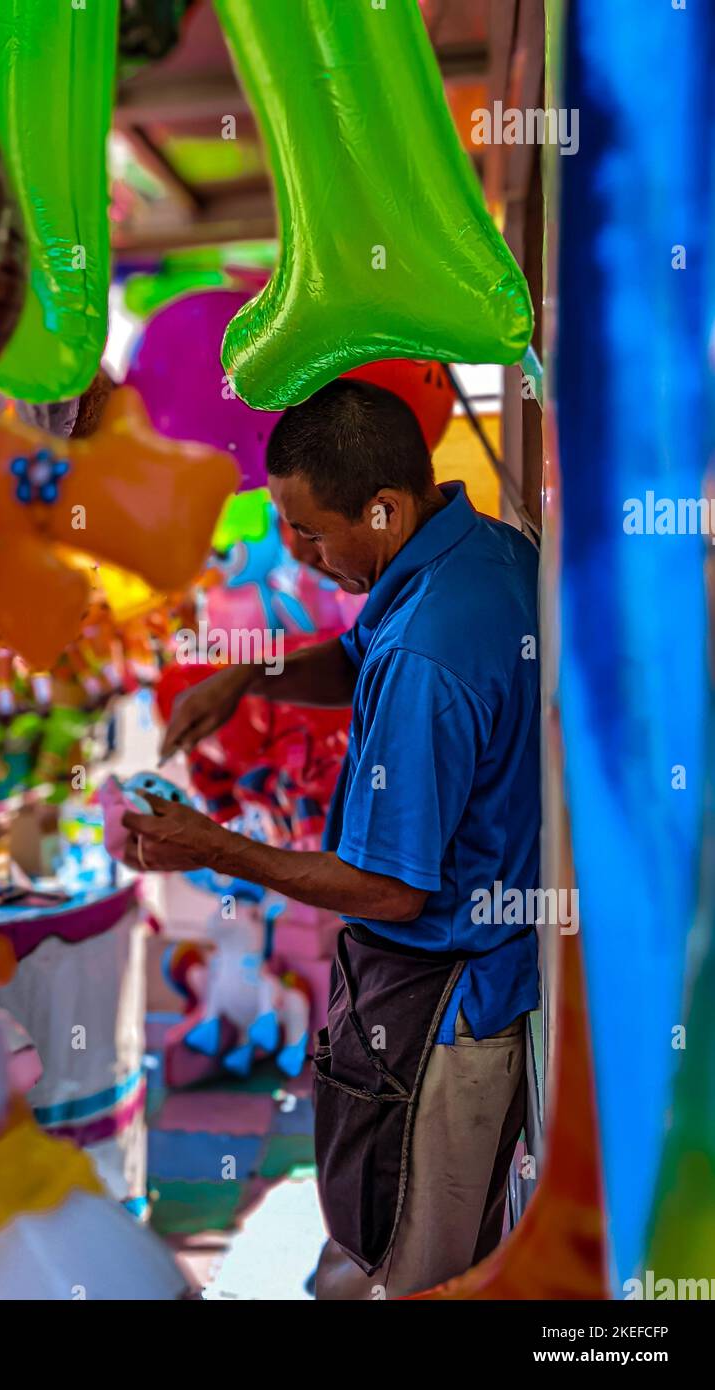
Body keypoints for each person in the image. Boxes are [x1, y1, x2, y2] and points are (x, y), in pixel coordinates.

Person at [121, 378, 541, 1298]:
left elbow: (389, 890)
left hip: (448, 1005)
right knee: (408, 1237)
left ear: (383, 508)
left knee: (422, 1265)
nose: (297, 554)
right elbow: (352, 658)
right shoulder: (476, 554)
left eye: (310, 532)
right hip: (475, 970)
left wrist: (211, 845)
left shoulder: (424, 655)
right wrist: (250, 675)